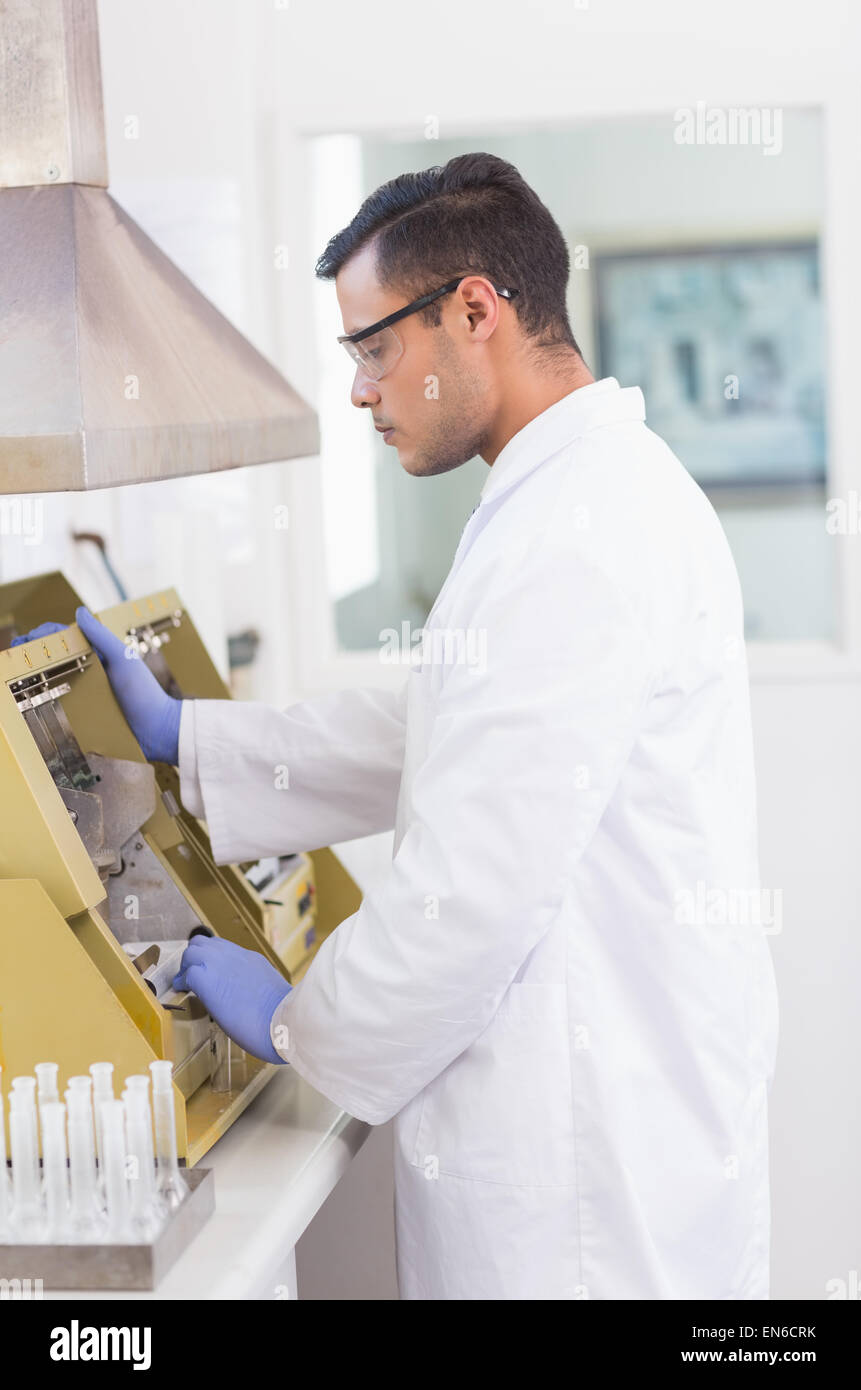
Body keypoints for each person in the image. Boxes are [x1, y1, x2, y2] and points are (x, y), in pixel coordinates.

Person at [16, 153, 779, 1301]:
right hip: (614, 1137)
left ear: (474, 309)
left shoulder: (574, 533)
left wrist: (298, 1023)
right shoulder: (575, 497)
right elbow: (445, 728)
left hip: (587, 1199)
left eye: (373, 350)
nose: (363, 391)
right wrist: (191, 738)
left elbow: (470, 893)